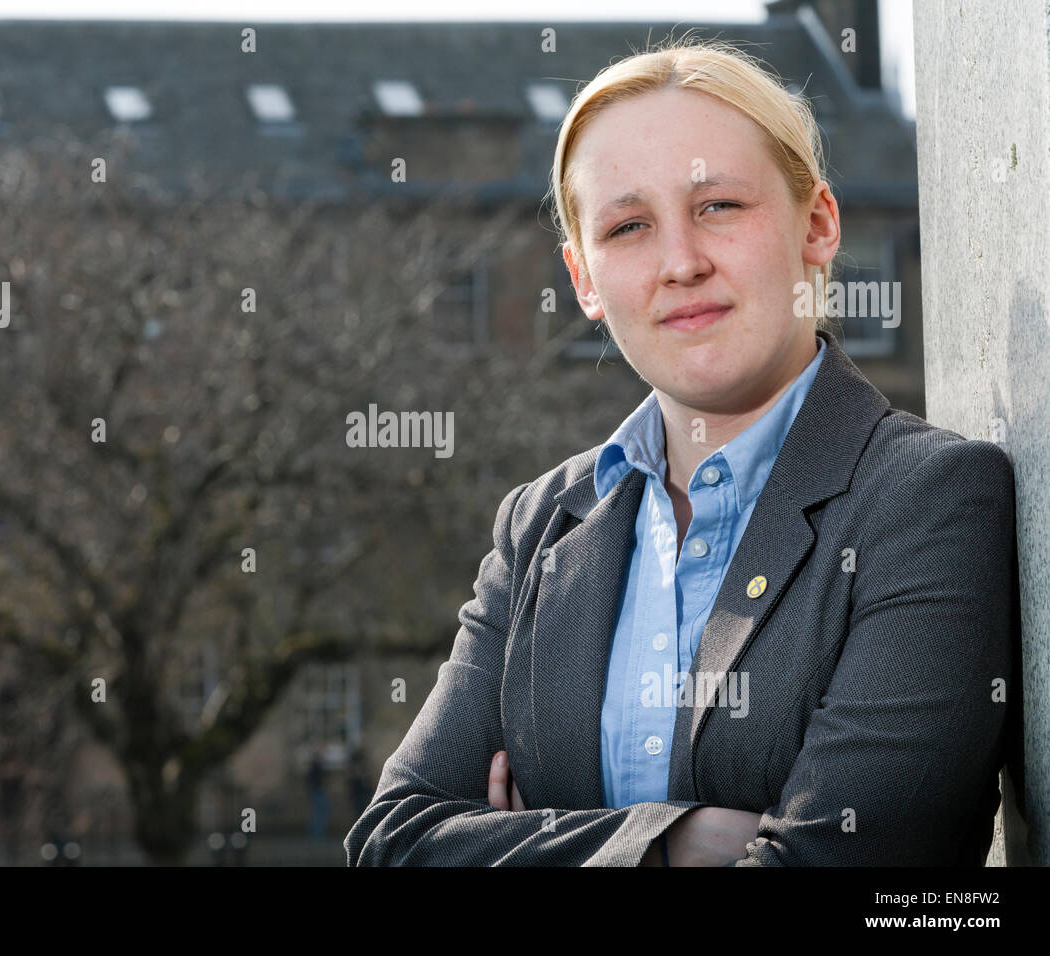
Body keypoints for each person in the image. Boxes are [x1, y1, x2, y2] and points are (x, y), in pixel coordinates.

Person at [344, 39, 1019, 866]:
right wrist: (676, 842)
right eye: (628, 227)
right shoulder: (542, 527)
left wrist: (527, 840)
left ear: (817, 223)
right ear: (584, 279)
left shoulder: (928, 500)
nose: (681, 263)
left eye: (719, 207)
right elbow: (393, 840)